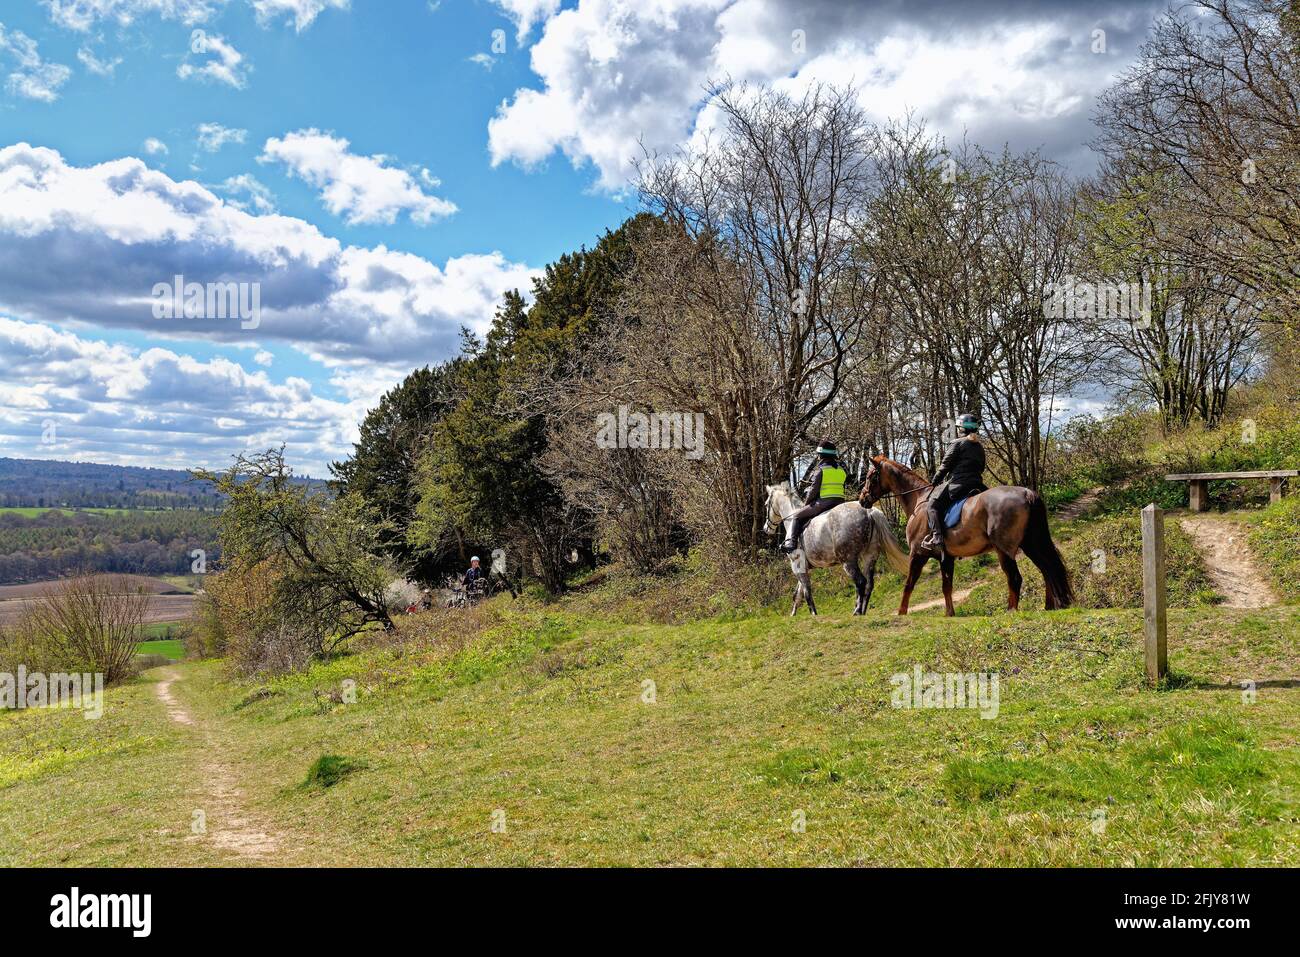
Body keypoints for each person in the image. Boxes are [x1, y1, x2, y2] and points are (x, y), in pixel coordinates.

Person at [922, 413, 986, 556]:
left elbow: (945, 465)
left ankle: (937, 538)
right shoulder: (979, 446)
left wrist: (934, 481)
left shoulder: (957, 443)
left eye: (958, 427)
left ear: (962, 429)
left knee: (932, 505)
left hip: (959, 484)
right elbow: (981, 467)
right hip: (978, 484)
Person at [780, 440, 848, 553]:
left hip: (823, 503)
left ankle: (791, 544)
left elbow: (813, 491)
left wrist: (806, 504)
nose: (818, 456)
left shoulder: (821, 470)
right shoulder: (842, 470)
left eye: (818, 454)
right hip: (840, 502)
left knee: (796, 516)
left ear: (821, 455)